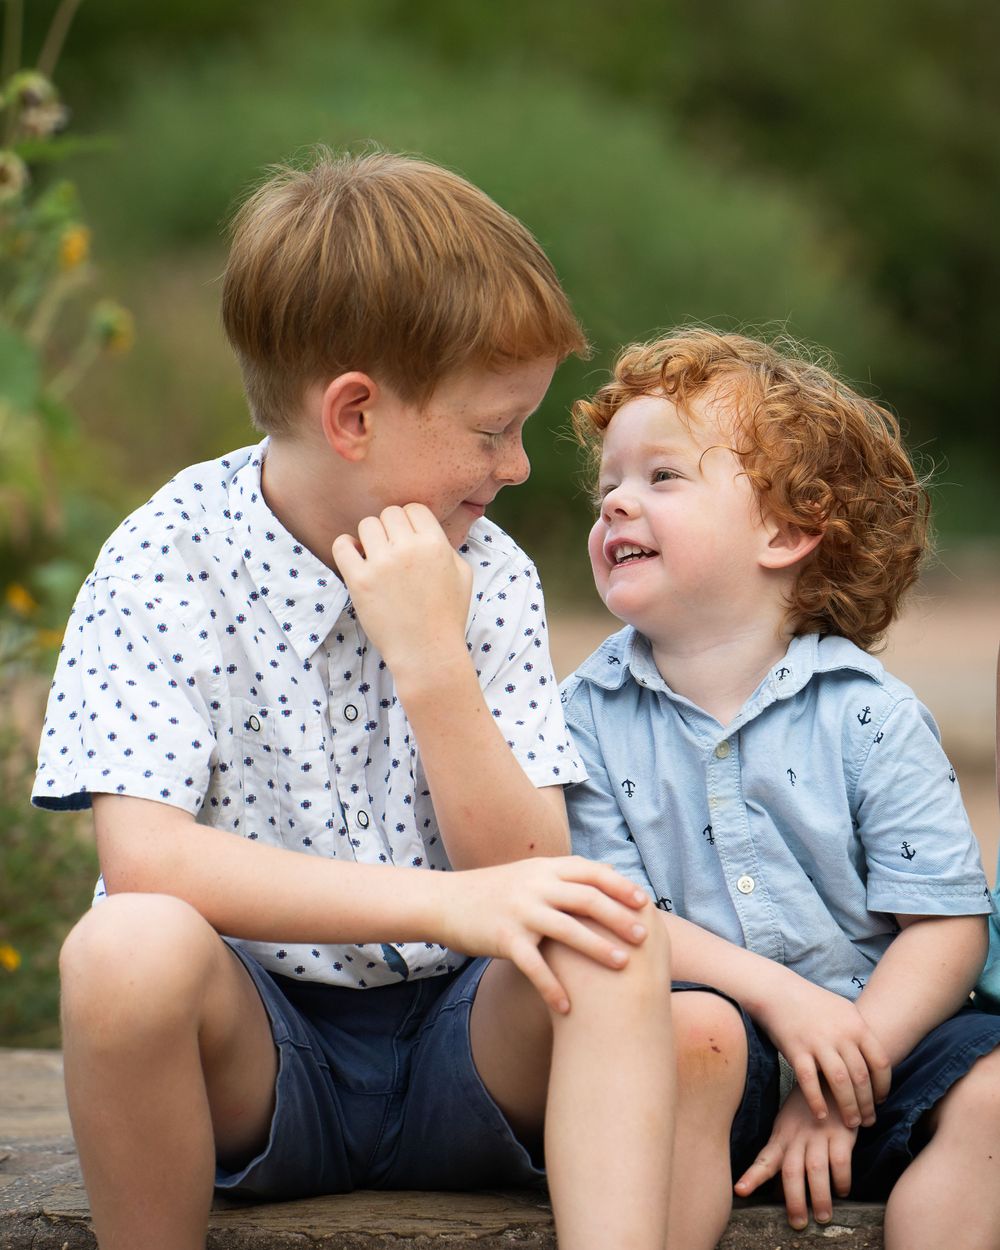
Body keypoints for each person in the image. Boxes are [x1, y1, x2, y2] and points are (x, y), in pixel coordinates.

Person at [33, 149, 676, 1250]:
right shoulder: (163, 558)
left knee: (610, 934)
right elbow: (146, 861)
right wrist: (433, 905)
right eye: (490, 429)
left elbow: (529, 863)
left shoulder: (489, 571)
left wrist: (434, 663)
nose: (516, 465)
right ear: (353, 416)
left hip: (461, 1048)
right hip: (258, 1051)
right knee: (120, 949)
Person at [561, 326, 1000, 1250]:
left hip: (884, 1039)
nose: (615, 507)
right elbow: (610, 913)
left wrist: (848, 1076)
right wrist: (776, 999)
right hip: (704, 1051)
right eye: (608, 486)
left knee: (997, 1096)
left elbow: (946, 926)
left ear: (787, 530)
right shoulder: (584, 717)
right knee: (685, 1043)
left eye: (661, 478)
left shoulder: (869, 713)